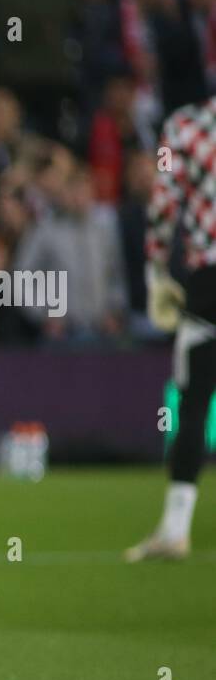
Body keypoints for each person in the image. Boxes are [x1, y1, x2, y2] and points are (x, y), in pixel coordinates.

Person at [128, 94, 216, 561]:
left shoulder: (184, 128)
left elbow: (164, 201)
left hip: (209, 278)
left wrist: (155, 268)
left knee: (195, 395)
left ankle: (175, 526)